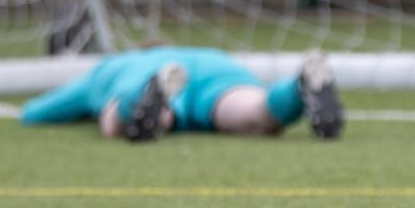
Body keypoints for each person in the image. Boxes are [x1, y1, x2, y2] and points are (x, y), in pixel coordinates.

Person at [20, 45, 344, 142]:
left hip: (143, 74)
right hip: (217, 65)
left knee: (111, 119)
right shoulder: (202, 55)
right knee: (256, 114)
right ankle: (298, 86)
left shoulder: (115, 64)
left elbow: (36, 112)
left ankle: (146, 99)